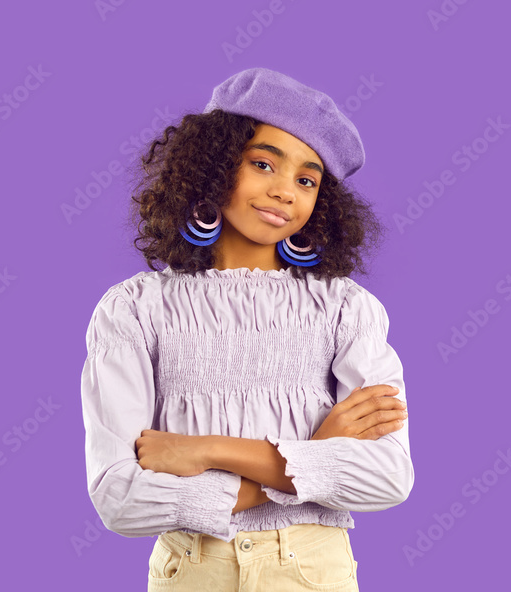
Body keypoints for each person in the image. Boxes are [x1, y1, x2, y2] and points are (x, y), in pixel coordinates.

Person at [79, 67, 413, 591]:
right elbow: (120, 499)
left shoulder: (346, 310)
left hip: (312, 573)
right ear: (212, 168)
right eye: (263, 164)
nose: (285, 192)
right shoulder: (134, 311)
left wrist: (205, 450)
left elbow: (387, 477)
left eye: (307, 179)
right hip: (191, 573)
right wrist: (307, 461)